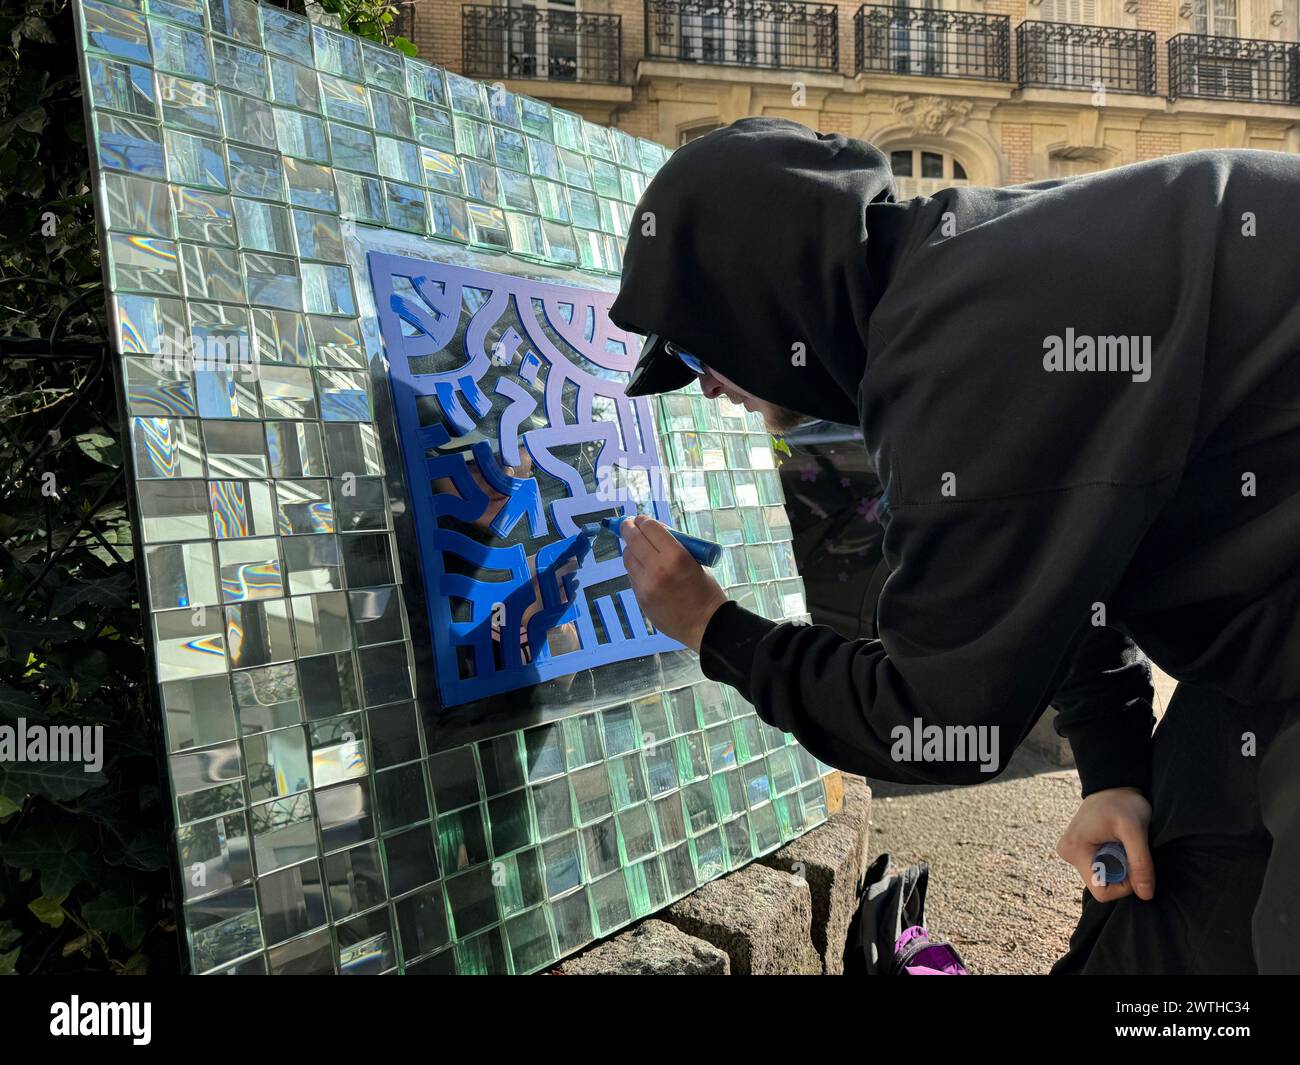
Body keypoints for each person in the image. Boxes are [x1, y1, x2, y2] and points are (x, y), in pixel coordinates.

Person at [606, 117, 1300, 974]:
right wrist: (1115, 770)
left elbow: (944, 719)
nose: (705, 386)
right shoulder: (958, 273)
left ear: (756, 297)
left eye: (692, 348)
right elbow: (1063, 554)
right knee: (1154, 930)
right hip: (1264, 653)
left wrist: (715, 629)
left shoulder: (953, 356)